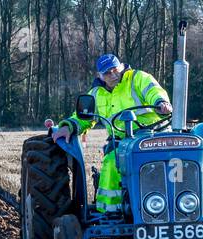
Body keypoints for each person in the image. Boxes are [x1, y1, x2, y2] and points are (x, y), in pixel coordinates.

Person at [50, 53, 172, 216]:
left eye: (115, 70)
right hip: (123, 140)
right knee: (112, 162)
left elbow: (154, 91)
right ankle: (111, 215)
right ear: (100, 75)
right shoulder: (96, 93)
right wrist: (69, 126)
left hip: (155, 134)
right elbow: (83, 117)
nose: (113, 75)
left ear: (121, 66)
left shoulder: (137, 78)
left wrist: (161, 103)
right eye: (108, 73)